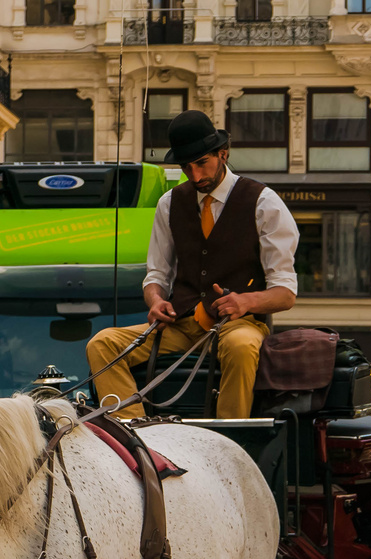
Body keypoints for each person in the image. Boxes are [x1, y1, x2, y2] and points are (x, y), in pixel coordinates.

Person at [85, 110, 299, 420]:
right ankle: (133, 431)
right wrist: (156, 301)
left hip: (239, 324)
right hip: (182, 324)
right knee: (102, 344)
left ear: (222, 154)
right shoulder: (169, 203)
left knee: (241, 348)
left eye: (202, 163)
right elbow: (157, 274)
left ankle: (229, 438)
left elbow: (285, 294)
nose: (195, 176)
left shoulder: (264, 203)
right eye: (187, 167)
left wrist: (245, 301)